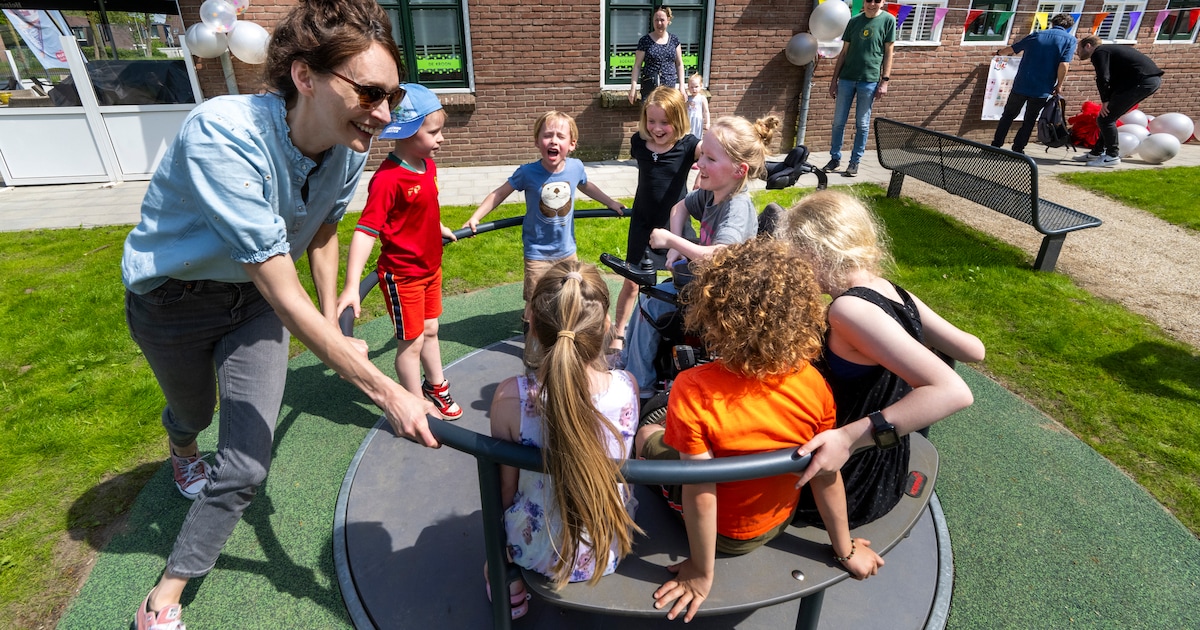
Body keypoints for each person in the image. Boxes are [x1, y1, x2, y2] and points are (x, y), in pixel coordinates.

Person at [121, 1, 441, 628]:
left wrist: (336, 306)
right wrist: (387, 392)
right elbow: (279, 287)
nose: (385, 113)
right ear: (304, 76)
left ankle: (163, 598)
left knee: (245, 462)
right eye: (370, 93)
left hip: (253, 307)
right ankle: (182, 443)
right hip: (174, 301)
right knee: (194, 411)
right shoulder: (223, 132)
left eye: (393, 95)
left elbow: (322, 230)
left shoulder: (350, 150)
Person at [634, 238, 885, 622]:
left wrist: (702, 574)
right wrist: (846, 548)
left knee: (646, 436)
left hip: (722, 537)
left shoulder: (693, 386)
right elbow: (825, 474)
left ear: (713, 313)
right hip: (776, 521)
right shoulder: (814, 384)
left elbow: (700, 492)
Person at [781, 190, 985, 528]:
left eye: (795, 255)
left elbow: (954, 392)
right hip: (888, 465)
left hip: (849, 478)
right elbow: (974, 350)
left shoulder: (848, 309)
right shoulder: (893, 291)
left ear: (816, 253)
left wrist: (847, 440)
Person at [489, 261, 641, 619]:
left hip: (535, 549)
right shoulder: (628, 387)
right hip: (608, 545)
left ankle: (508, 585)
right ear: (605, 328)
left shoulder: (511, 399)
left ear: (535, 329)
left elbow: (505, 493)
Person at [618, 114, 779, 401]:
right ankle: (631, 365)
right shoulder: (710, 193)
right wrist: (675, 249)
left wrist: (671, 239)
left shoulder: (736, 207)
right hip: (703, 285)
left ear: (738, 170)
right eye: (702, 154)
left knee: (651, 306)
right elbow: (679, 208)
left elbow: (719, 256)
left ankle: (639, 384)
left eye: (710, 159)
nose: (699, 164)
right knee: (648, 298)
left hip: (725, 298)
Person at [335, 83, 463, 420]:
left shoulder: (426, 164)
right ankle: (413, 405)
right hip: (402, 276)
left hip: (430, 269)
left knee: (432, 329)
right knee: (412, 343)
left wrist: (437, 229)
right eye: (434, 132)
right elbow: (365, 231)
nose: (441, 139)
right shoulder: (389, 179)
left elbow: (422, 210)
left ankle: (435, 386)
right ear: (406, 131)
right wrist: (351, 285)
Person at [464, 111, 626, 307]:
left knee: (568, 298)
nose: (553, 141)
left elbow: (586, 185)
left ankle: (561, 333)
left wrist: (611, 203)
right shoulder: (527, 172)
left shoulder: (575, 168)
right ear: (537, 141)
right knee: (536, 301)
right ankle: (531, 330)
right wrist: (475, 217)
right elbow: (499, 193)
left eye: (560, 136)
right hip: (537, 254)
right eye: (547, 135)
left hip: (566, 251)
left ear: (572, 144)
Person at [612, 86, 702, 352]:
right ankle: (619, 333)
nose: (657, 128)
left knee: (682, 280)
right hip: (642, 223)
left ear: (679, 121)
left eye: (665, 122)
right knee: (631, 282)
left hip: (675, 225)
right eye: (652, 121)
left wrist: (703, 176)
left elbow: (716, 152)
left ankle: (684, 331)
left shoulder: (689, 145)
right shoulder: (639, 143)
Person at [821, 0, 896, 178]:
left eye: (877, 0)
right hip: (847, 79)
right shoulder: (854, 21)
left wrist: (885, 80)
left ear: (883, 2)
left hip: (868, 81)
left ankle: (855, 162)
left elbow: (889, 52)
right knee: (838, 122)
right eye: (869, 0)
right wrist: (834, 80)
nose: (872, 4)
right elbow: (844, 52)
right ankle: (835, 158)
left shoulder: (888, 20)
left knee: (862, 125)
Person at [1072, 34, 1164, 168]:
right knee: (1107, 117)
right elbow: (1114, 78)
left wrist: (1105, 100)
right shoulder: (1109, 51)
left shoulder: (1099, 52)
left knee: (1106, 119)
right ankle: (1096, 153)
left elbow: (1103, 77)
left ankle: (1111, 156)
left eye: (1079, 48)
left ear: (1088, 46)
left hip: (1143, 82)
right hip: (1144, 81)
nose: (1077, 52)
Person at [991, 14, 1077, 154]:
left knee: (1008, 115)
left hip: (1022, 83)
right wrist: (1059, 84)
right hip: (1042, 88)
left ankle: (995, 145)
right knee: (1030, 119)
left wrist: (999, 53)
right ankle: (1018, 149)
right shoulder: (1070, 40)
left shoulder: (1037, 35)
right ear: (1069, 27)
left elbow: (1013, 48)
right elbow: (1064, 65)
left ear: (1052, 23)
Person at [627, 7, 687, 104]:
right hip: (650, 88)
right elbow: (637, 66)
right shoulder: (645, 41)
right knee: (650, 116)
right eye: (656, 20)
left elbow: (679, 64)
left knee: (667, 116)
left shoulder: (674, 40)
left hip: (669, 89)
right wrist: (633, 89)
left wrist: (682, 87)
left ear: (668, 20)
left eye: (662, 20)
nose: (659, 23)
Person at [685, 73, 710, 141]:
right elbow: (684, 109)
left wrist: (707, 122)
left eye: (696, 87)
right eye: (691, 87)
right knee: (687, 136)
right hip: (689, 120)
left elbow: (706, 111)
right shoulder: (687, 98)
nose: (694, 89)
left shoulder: (702, 98)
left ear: (701, 86)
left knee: (697, 137)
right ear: (688, 87)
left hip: (698, 121)